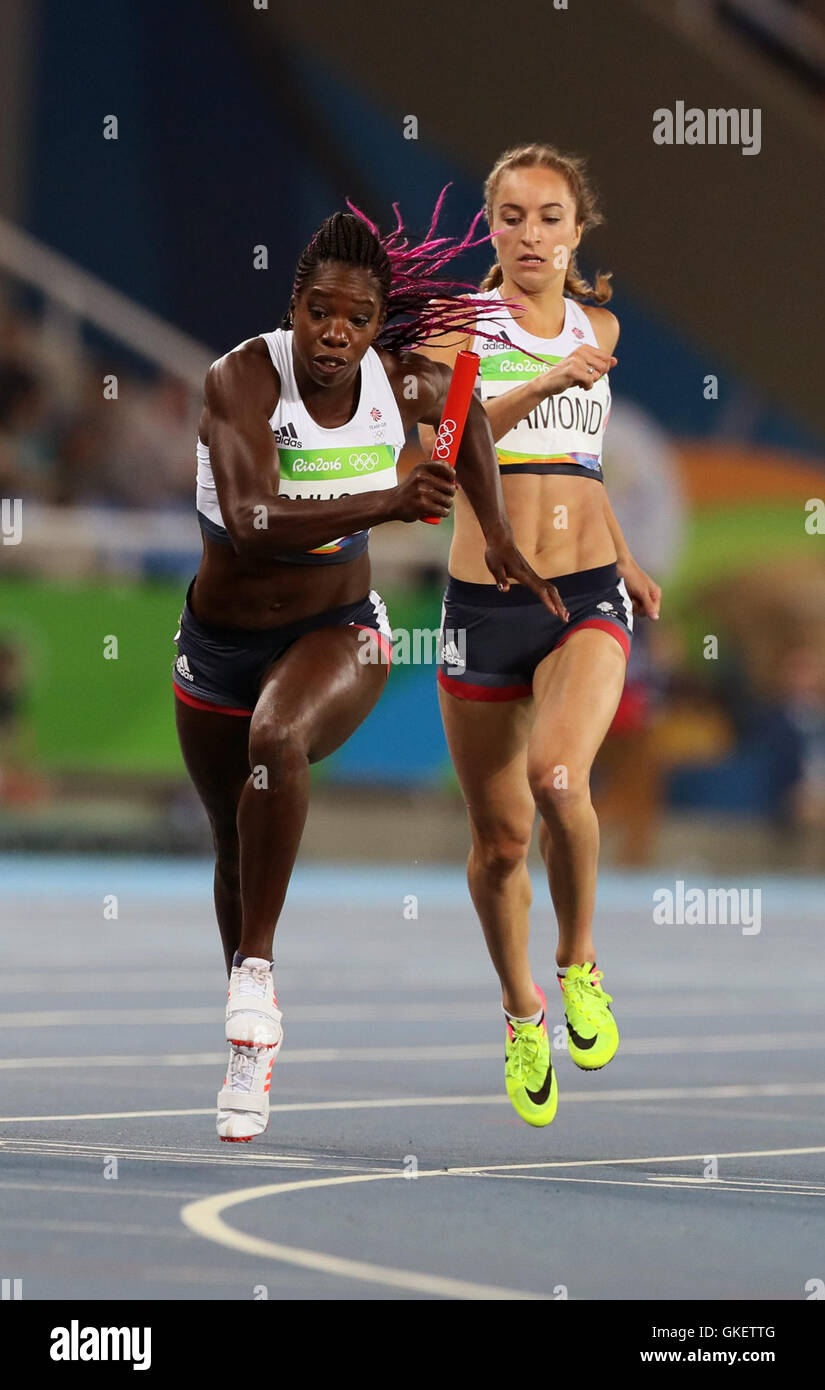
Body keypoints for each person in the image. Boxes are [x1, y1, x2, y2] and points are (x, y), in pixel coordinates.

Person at [172, 200, 565, 1142]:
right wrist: (388, 497)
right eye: (319, 313)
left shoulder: (398, 381)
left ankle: (255, 985)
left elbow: (464, 418)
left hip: (338, 631)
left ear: (375, 324)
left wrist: (499, 534)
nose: (335, 335)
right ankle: (251, 1045)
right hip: (218, 642)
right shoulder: (240, 380)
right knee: (233, 840)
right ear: (294, 307)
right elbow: (252, 519)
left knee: (280, 738)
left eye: (355, 319)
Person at [415, 144, 661, 1127]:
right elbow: (448, 444)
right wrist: (552, 374)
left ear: (577, 229)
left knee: (563, 780)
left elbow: (584, 465)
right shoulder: (457, 328)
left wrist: (626, 554)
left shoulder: (601, 324)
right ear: (493, 228)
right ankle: (522, 1009)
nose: (529, 234)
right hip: (484, 609)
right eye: (510, 216)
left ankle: (579, 961)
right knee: (500, 843)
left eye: (548, 216)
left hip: (586, 597)